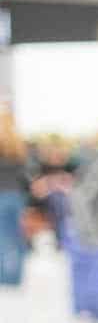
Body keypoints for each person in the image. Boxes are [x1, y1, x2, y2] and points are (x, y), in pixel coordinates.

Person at [0, 110, 29, 286]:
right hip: (16, 196)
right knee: (17, 236)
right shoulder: (18, 146)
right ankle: (16, 276)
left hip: (1, 196)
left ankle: (4, 275)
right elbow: (25, 175)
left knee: (2, 237)